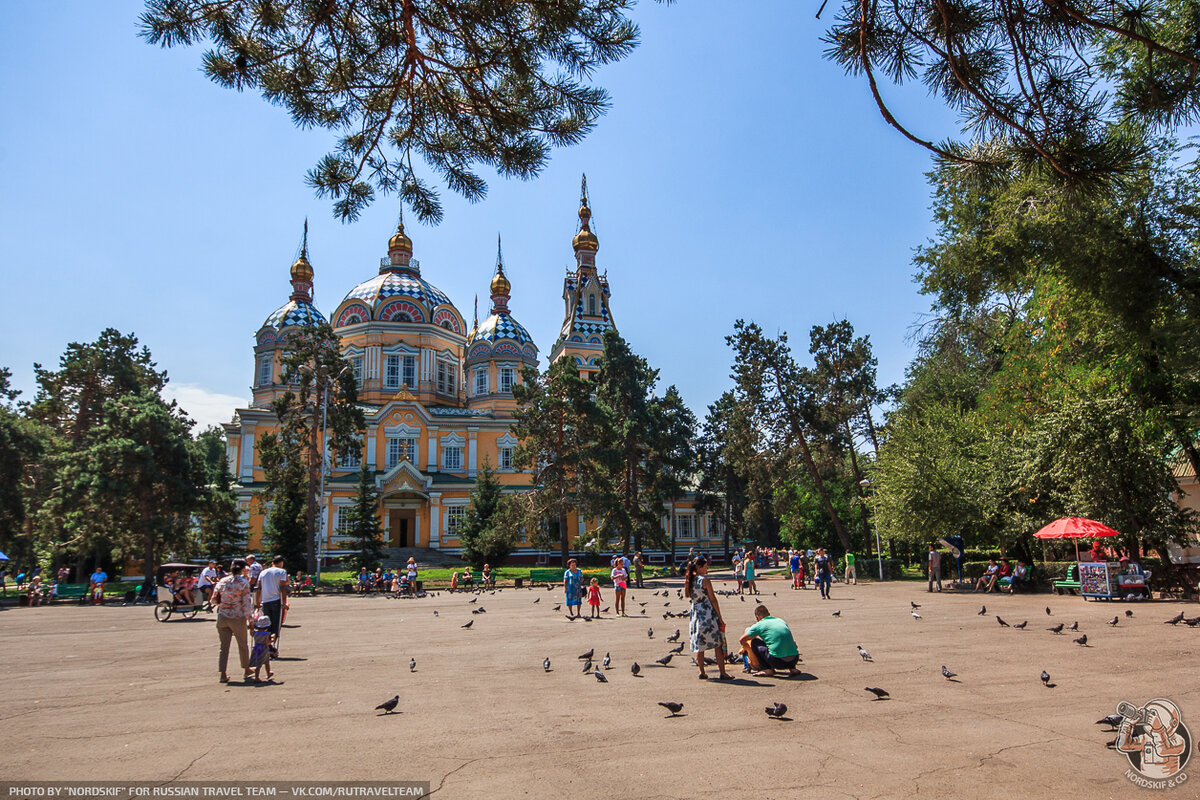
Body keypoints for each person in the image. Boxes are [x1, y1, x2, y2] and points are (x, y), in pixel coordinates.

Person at [684, 556, 732, 680]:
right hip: (707, 614)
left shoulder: (689, 579)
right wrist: (720, 617)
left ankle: (702, 672)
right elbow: (713, 599)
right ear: (699, 568)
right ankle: (723, 672)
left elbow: (687, 595)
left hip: (695, 614)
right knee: (717, 644)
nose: (707, 569)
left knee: (699, 646)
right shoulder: (705, 580)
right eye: (705, 567)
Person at [211, 558, 254, 684]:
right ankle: (246, 669)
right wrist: (250, 620)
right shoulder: (243, 583)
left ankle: (223, 673)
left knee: (224, 647)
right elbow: (246, 604)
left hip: (223, 616)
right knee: (242, 644)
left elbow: (213, 600)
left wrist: (223, 604)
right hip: (237, 617)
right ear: (242, 569)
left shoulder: (222, 581)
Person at [739, 604, 802, 677]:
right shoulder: (780, 621)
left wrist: (746, 647)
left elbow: (742, 640)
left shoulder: (759, 624)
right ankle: (792, 669)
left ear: (758, 617)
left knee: (755, 642)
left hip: (777, 661)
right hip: (794, 659)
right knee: (782, 642)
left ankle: (767, 669)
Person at [255, 555, 289, 655]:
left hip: (265, 601)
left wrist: (257, 602)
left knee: (266, 624)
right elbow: (283, 587)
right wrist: (284, 602)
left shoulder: (263, 572)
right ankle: (270, 646)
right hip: (276, 600)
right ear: (281, 563)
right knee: (276, 625)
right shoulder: (281, 571)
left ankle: (267, 645)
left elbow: (259, 588)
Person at [247, 616, 274, 683]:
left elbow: (251, 633)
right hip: (264, 649)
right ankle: (257, 677)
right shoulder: (266, 634)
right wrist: (272, 640)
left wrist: (251, 628)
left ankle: (268, 673)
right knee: (264, 662)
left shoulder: (256, 633)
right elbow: (267, 642)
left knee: (259, 662)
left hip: (256, 647)